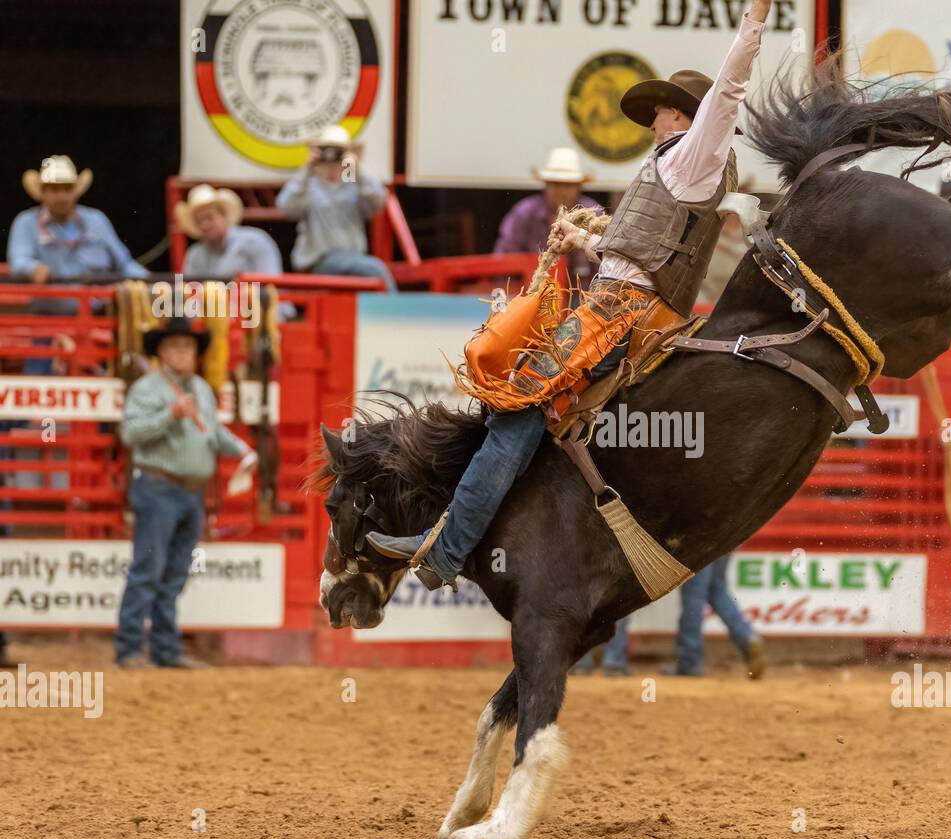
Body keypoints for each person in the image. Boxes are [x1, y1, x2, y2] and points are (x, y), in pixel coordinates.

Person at [367, 0, 773, 589]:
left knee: (515, 413)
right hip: (620, 306)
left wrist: (754, 18)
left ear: (681, 115)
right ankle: (460, 545)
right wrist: (590, 243)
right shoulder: (681, 165)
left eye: (661, 109)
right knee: (519, 415)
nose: (654, 118)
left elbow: (730, 87)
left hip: (617, 313)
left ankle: (447, 553)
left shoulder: (693, 155)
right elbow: (644, 254)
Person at [115, 316, 258, 669]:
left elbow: (212, 432)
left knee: (175, 573)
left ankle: (165, 650)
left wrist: (241, 449)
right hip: (158, 487)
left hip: (189, 494)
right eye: (175, 345)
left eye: (188, 346)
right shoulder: (147, 389)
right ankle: (130, 649)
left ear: (195, 352)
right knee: (148, 569)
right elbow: (131, 434)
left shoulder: (201, 389)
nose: (182, 352)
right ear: (161, 351)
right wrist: (170, 415)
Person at [276, 126, 395, 291]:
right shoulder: (308, 187)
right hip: (320, 262)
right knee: (375, 269)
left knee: (370, 269)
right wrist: (306, 169)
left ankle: (390, 312)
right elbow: (285, 207)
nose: (331, 158)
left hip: (354, 261)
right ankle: (395, 312)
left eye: (338, 152)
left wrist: (357, 170)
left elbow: (379, 201)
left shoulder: (355, 185)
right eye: (326, 151)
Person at [7, 155, 147, 286]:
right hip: (51, 310)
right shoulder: (26, 223)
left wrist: (149, 282)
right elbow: (18, 261)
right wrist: (33, 269)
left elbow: (124, 263)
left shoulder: (97, 220)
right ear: (43, 192)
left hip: (97, 308)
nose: (61, 197)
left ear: (76, 191)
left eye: (67, 189)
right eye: (54, 189)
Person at [495, 148, 602, 287]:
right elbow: (504, 261)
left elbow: (606, 263)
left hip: (582, 296)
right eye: (556, 184)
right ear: (545, 185)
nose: (562, 192)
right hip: (531, 291)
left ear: (579, 187)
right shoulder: (524, 213)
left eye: (568, 185)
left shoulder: (593, 214)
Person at [672, 553, 765, 678]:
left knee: (694, 594)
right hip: (726, 538)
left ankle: (689, 661)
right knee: (717, 589)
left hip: (701, 540)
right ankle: (747, 636)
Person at [177, 184, 284, 278]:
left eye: (209, 217)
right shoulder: (195, 255)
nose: (205, 225)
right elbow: (188, 292)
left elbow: (272, 286)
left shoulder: (255, 241)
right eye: (200, 220)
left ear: (224, 215)